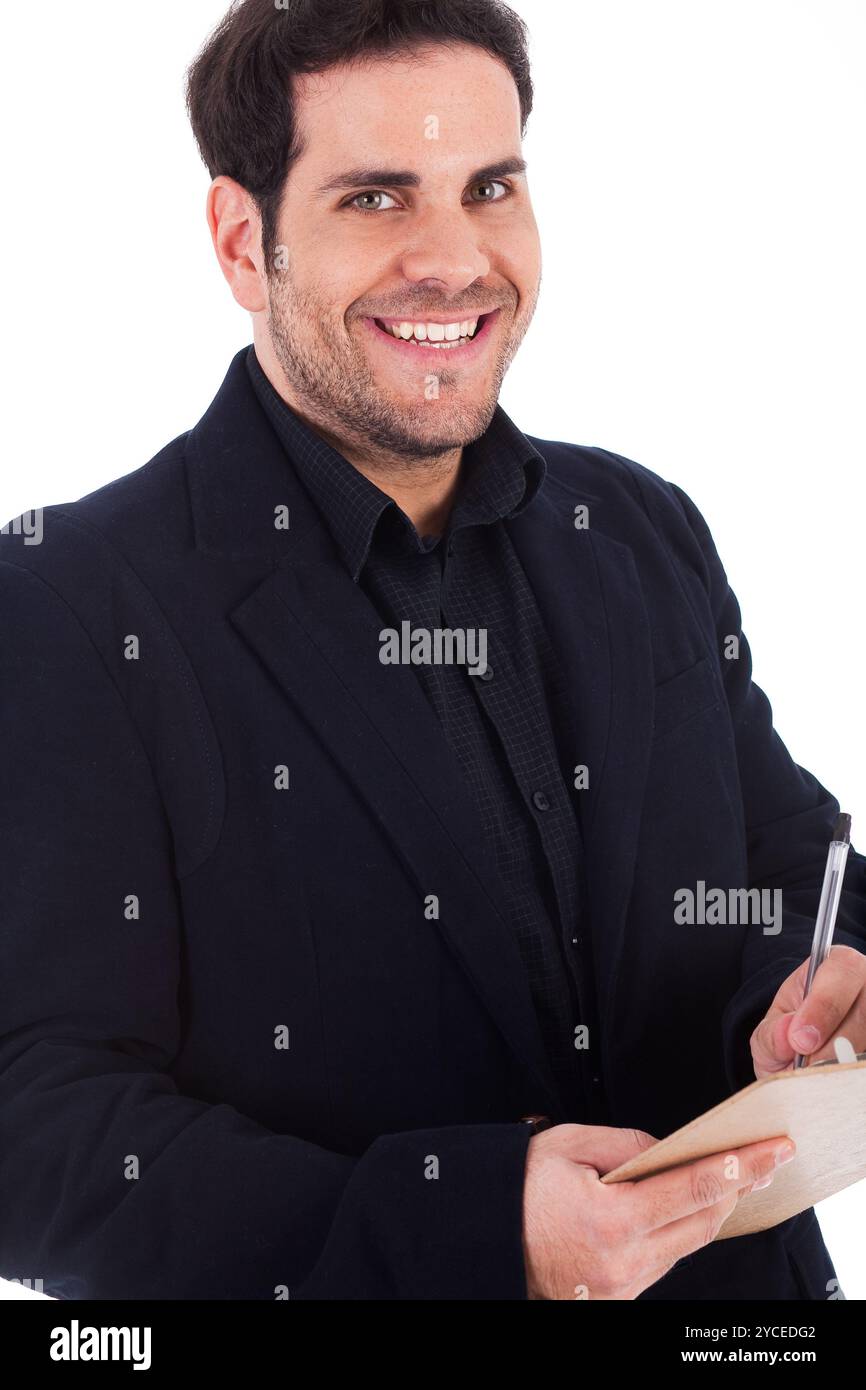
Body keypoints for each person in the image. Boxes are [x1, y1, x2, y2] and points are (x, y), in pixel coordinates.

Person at [1, 0, 864, 1301]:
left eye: (490, 186)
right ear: (245, 242)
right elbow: (36, 1132)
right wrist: (474, 1230)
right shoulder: (64, 599)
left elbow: (780, 855)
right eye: (375, 198)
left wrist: (823, 973)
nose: (455, 259)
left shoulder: (638, 524)